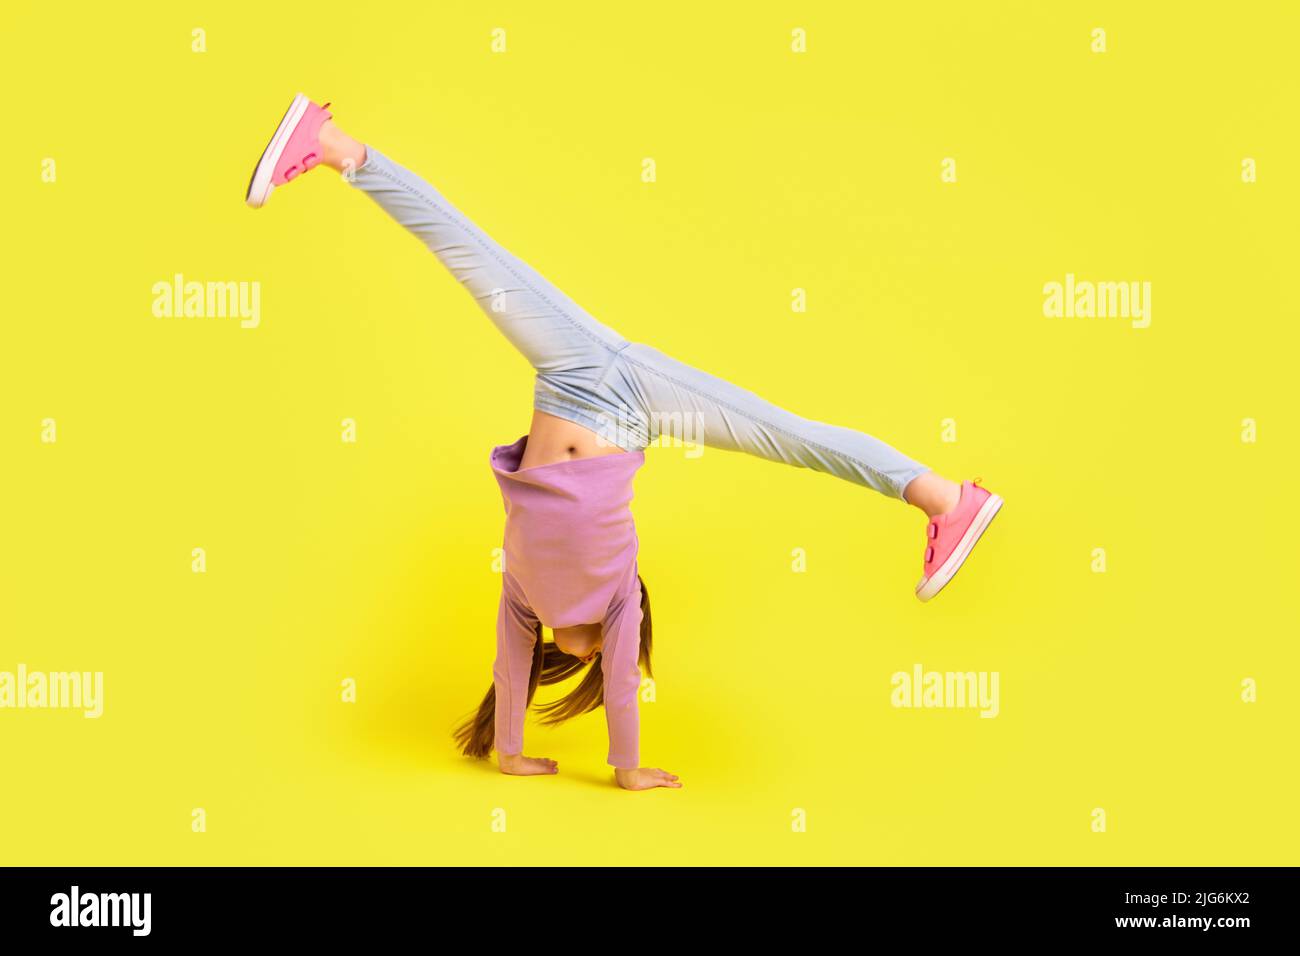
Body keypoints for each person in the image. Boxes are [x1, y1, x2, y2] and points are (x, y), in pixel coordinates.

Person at [246, 94, 1004, 791]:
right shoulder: (613, 600)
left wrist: (509, 752)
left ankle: (944, 499)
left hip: (569, 378)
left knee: (470, 257)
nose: (597, 662)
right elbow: (619, 687)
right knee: (786, 433)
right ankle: (942, 498)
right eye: (614, 656)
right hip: (627, 391)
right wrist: (628, 768)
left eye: (587, 664)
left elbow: (510, 673)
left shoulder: (525, 598)